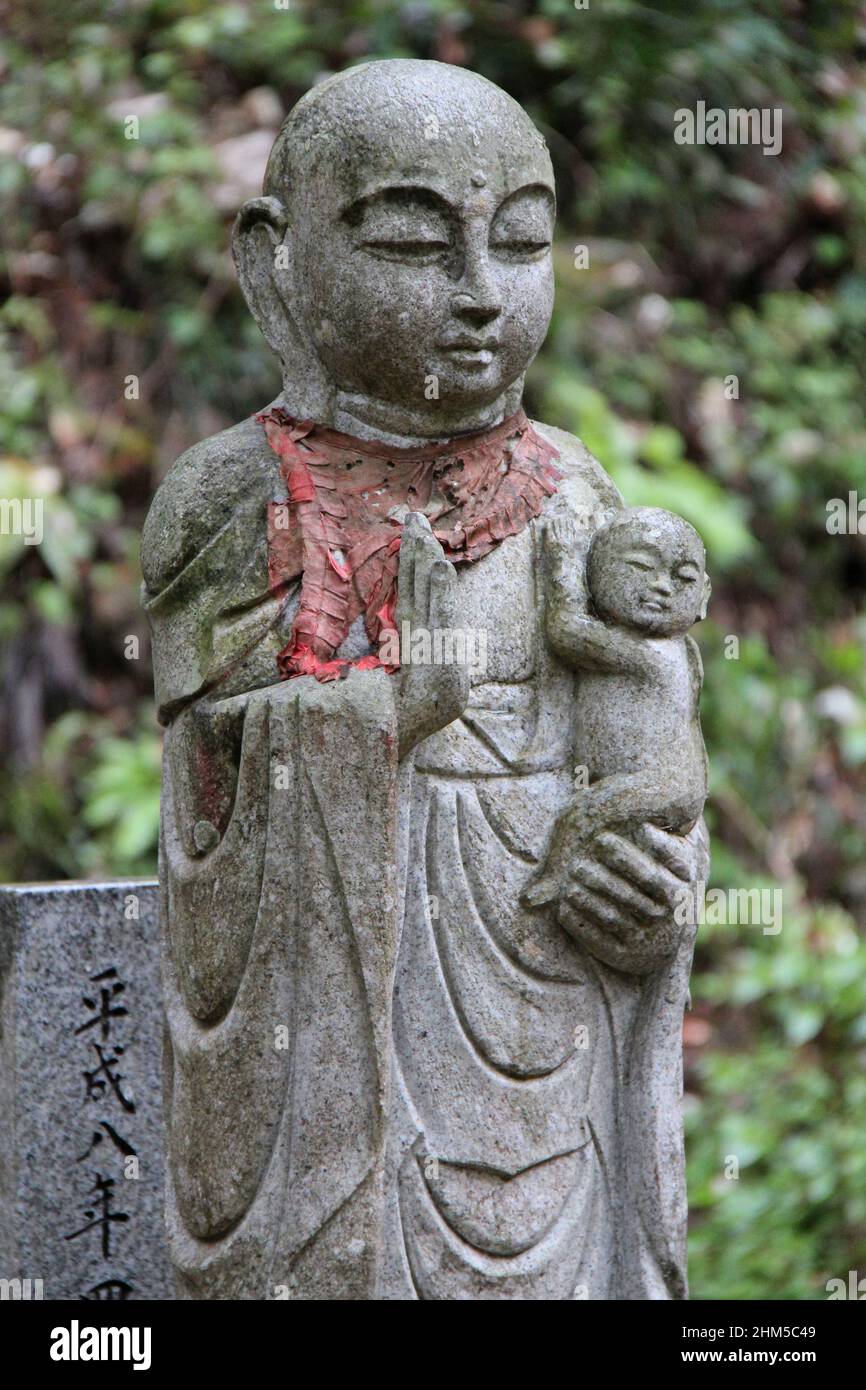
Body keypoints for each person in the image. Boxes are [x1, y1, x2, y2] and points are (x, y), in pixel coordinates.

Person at [142, 59, 708, 1300]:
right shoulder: (235, 500)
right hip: (339, 1089)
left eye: (517, 243)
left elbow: (649, 748)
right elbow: (205, 811)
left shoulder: (575, 496)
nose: (478, 296)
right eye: (412, 242)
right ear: (274, 262)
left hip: (554, 1029)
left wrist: (656, 885)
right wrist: (382, 722)